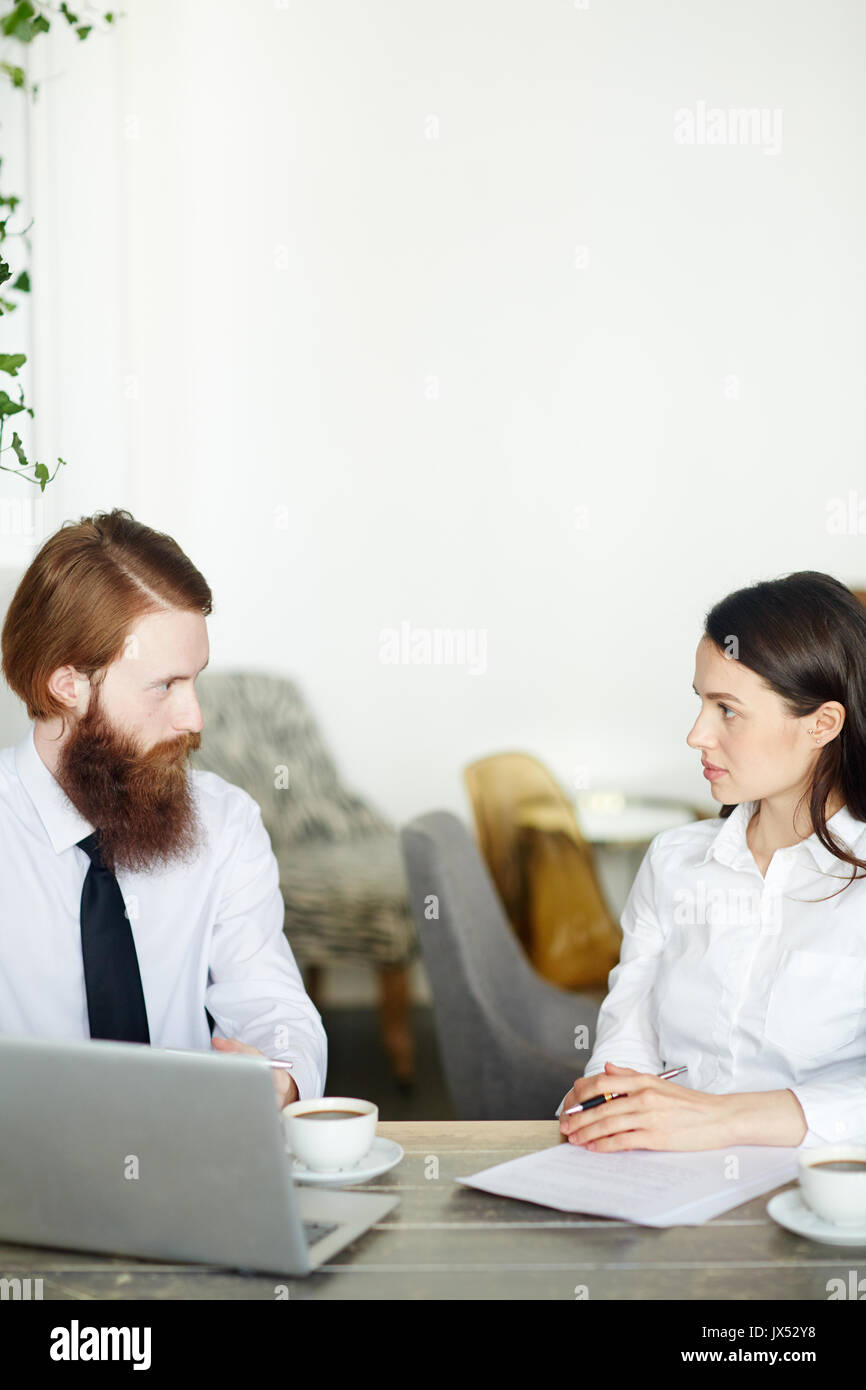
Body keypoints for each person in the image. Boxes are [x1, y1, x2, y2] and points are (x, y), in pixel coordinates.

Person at [0, 508, 326, 1109]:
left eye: (195, 680)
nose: (194, 719)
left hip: (190, 1170)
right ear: (65, 684)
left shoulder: (225, 822)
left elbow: (272, 1007)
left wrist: (280, 1079)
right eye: (164, 686)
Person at [557, 570, 866, 1152]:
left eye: (727, 709)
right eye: (701, 702)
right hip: (660, 1183)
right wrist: (614, 1096)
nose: (697, 734)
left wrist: (721, 1120)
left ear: (822, 724)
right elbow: (629, 1025)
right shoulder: (673, 862)